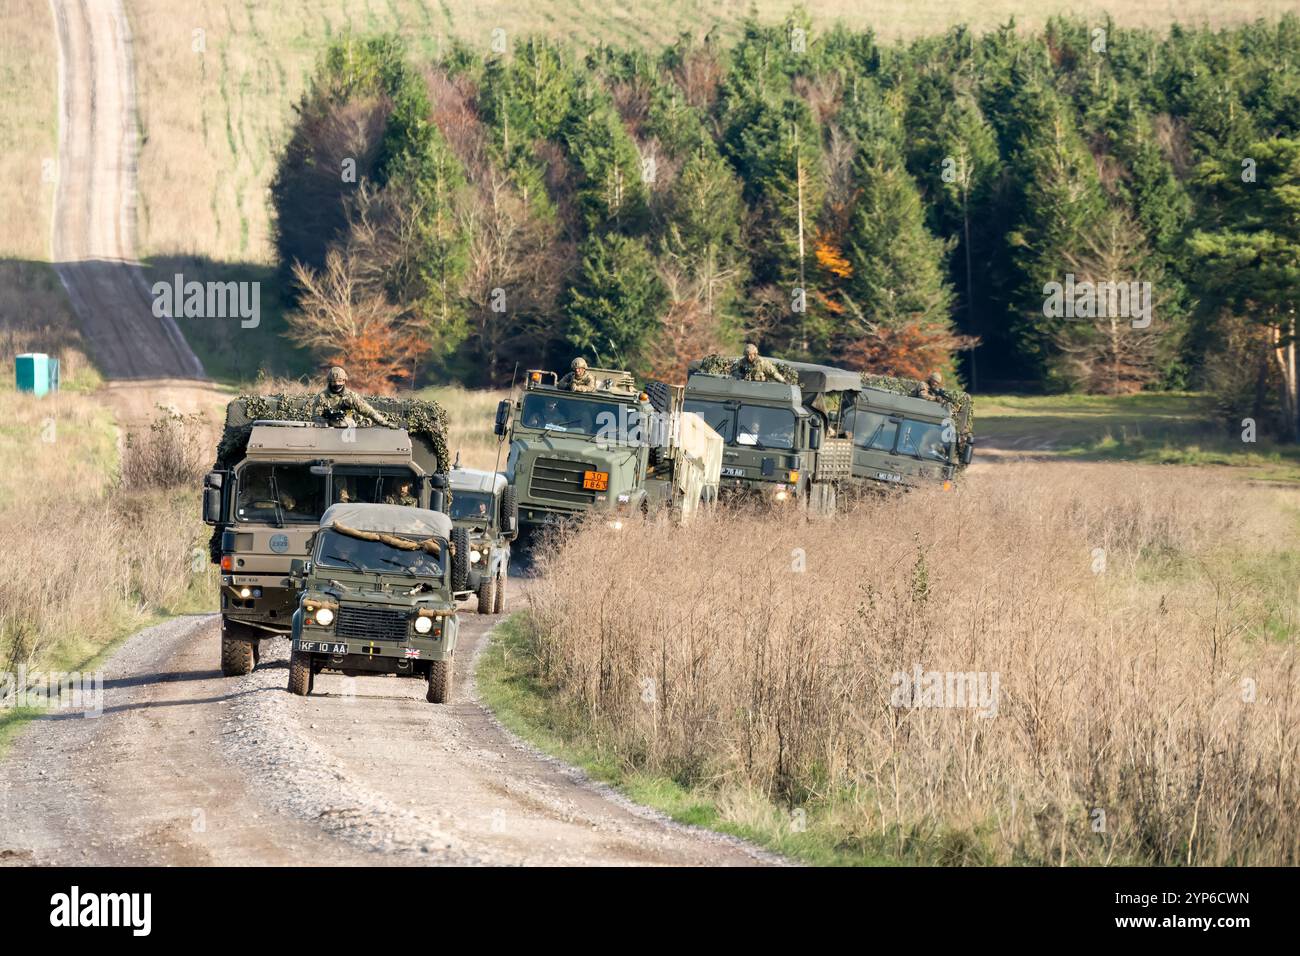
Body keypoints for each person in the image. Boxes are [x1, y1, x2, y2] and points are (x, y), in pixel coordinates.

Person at [313, 366, 392, 427]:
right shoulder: (322, 397)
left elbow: (369, 412)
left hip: (348, 430)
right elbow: (315, 417)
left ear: (344, 381)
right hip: (328, 431)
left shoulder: (351, 396)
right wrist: (329, 418)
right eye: (334, 381)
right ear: (329, 382)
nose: (337, 384)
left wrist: (385, 423)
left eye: (340, 381)